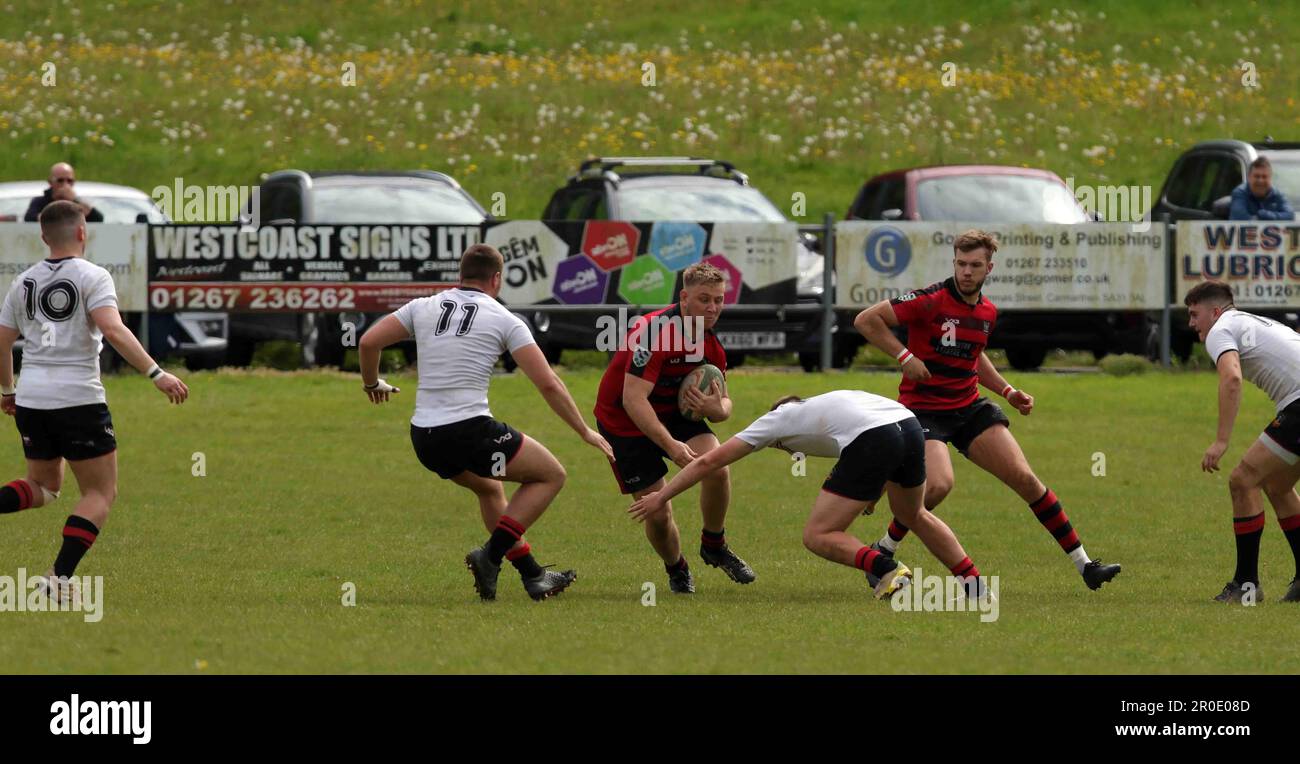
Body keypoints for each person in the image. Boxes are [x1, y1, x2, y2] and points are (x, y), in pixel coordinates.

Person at [853, 228, 1121, 590]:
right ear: (954, 263)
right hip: (922, 412)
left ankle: (1086, 566)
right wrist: (905, 356)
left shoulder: (987, 312)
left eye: (975, 265)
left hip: (968, 409)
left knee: (1026, 480)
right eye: (961, 264)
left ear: (988, 268)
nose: (966, 271)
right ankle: (883, 549)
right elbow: (866, 320)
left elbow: (974, 357)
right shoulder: (929, 299)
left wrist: (1008, 390)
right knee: (937, 487)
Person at [358, 243, 613, 602]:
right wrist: (584, 430)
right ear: (497, 278)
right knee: (551, 475)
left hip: (425, 438)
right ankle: (489, 557)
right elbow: (548, 383)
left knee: (490, 489)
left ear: (459, 276)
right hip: (469, 431)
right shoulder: (504, 317)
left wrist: (372, 383)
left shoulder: (423, 307)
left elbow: (368, 341)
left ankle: (533, 575)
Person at [630, 390, 991, 601]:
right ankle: (975, 585)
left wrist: (662, 497)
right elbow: (885, 435)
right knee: (914, 514)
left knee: (818, 535)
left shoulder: (775, 422)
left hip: (876, 436)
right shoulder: (821, 404)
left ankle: (887, 570)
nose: (786, 454)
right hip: (909, 425)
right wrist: (873, 492)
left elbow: (709, 461)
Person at [0, 201, 189, 602]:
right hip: (77, 398)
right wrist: (157, 374)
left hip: (32, 399)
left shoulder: (23, 281)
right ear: (83, 232)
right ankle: (57, 579)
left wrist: (8, 391)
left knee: (44, 486)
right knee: (100, 494)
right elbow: (113, 330)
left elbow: (1, 343)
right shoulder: (93, 276)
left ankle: (57, 578)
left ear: (43, 236)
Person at [594, 262, 753, 594]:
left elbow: (725, 405)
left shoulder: (710, 342)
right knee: (659, 514)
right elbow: (633, 400)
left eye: (719, 300)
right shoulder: (653, 334)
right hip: (624, 422)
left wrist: (716, 408)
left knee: (717, 468)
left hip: (672, 411)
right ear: (684, 297)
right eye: (704, 299)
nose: (712, 308)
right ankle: (677, 568)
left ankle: (714, 544)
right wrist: (671, 446)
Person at [1186, 279, 1300, 603]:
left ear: (1215, 311)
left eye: (1195, 314)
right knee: (1276, 486)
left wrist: (1221, 441)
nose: (1191, 323)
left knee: (1243, 480)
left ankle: (1245, 586)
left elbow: (1232, 378)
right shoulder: (1247, 322)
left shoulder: (1222, 329)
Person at [24, 163, 104, 223]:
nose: (65, 184)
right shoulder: (40, 202)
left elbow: (98, 219)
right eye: (60, 180)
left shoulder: (78, 203)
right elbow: (29, 218)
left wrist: (74, 200)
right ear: (50, 182)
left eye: (69, 181)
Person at [1229, 156, 1295, 221]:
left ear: (1270, 178)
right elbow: (1239, 218)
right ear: (1249, 177)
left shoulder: (1277, 194)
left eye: (1264, 177)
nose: (1260, 180)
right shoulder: (1240, 193)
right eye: (1257, 176)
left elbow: (1290, 215)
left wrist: (1267, 215)